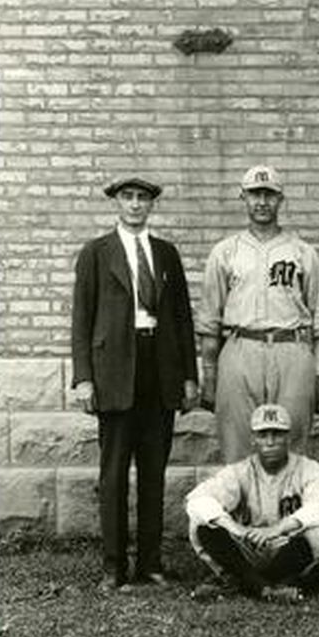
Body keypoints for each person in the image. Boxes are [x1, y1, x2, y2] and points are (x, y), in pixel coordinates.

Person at [71, 175, 199, 592]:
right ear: (117, 203)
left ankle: (150, 563)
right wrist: (84, 378)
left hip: (159, 369)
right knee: (113, 474)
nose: (135, 204)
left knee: (153, 472)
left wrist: (189, 376)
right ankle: (114, 567)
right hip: (114, 371)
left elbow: (182, 318)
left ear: (151, 205)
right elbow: (81, 319)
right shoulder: (96, 253)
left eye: (142, 198)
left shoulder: (165, 253)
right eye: (127, 197)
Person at [197, 165, 319, 462]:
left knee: (292, 443)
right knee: (237, 445)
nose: (262, 202)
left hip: (292, 349)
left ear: (281, 199)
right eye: (254, 194)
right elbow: (209, 322)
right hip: (240, 348)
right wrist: (209, 376)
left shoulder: (302, 252)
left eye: (269, 195)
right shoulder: (225, 251)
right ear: (243, 197)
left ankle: (290, 495)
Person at [185, 403, 319, 603]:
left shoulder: (308, 469)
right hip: (247, 545)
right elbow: (197, 499)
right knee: (202, 524)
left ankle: (243, 583)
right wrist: (235, 528)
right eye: (263, 435)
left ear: (288, 437)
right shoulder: (239, 471)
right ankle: (269, 587)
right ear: (253, 439)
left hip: (285, 545)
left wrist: (278, 529)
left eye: (277, 434)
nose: (270, 442)